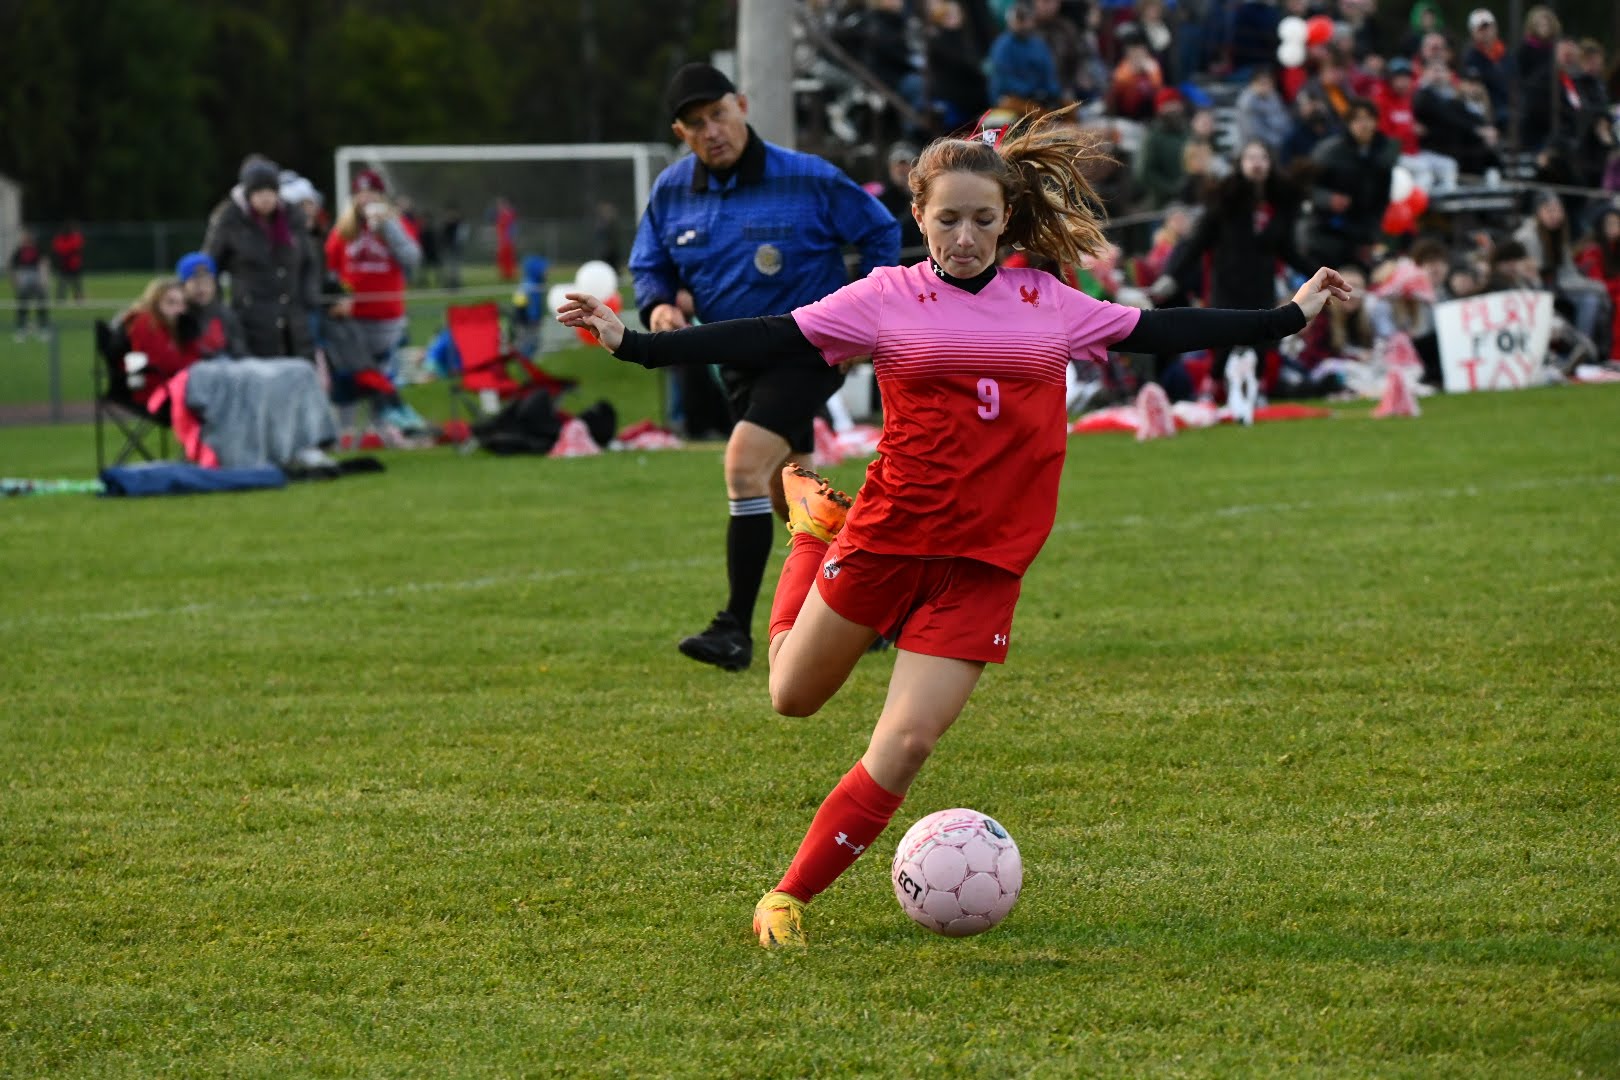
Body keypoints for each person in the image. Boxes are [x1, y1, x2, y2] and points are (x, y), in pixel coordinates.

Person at [561, 111, 1352, 948]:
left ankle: (786, 899)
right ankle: (810, 534)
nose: (965, 236)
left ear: (1006, 219)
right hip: (887, 537)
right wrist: (632, 345)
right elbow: (770, 335)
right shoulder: (884, 300)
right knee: (791, 698)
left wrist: (1287, 317)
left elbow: (1162, 330)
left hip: (982, 567)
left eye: (982, 219)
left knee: (904, 743)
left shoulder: (1049, 304)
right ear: (919, 217)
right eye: (948, 219)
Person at [627, 62, 900, 673]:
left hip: (806, 349)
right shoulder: (672, 190)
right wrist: (660, 303)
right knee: (790, 490)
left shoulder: (807, 178)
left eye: (719, 114)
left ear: (742, 104)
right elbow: (650, 264)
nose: (711, 131)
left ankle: (734, 630)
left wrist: (867, 314)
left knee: (742, 466)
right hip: (736, 358)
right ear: (680, 131)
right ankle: (880, 599)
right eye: (695, 124)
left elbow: (881, 233)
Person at [1153, 139, 1316, 399]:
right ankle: (1213, 386)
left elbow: (1288, 251)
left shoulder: (1280, 207)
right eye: (1250, 157)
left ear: (1270, 164)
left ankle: (1257, 389)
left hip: (1261, 284)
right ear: (1240, 164)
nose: (1257, 163)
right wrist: (1172, 277)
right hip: (1227, 283)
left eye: (1262, 157)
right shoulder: (1224, 201)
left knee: (1263, 337)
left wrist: (1319, 273)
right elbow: (1198, 243)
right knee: (1223, 337)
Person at [203, 154, 320, 358]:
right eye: (259, 192)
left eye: (270, 191)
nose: (265, 198)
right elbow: (208, 266)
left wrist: (308, 297)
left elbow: (309, 262)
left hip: (293, 318)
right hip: (250, 319)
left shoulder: (294, 218)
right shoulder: (229, 220)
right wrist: (218, 308)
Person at [324, 168, 422, 379]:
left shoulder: (397, 224)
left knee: (383, 381)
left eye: (372, 193)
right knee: (349, 381)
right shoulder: (343, 229)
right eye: (361, 193)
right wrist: (338, 298)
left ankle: (380, 413)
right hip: (351, 318)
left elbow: (412, 259)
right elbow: (330, 268)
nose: (366, 198)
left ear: (382, 197)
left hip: (387, 317)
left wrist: (388, 226)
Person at [1305, 98, 1399, 269]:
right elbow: (1307, 186)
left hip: (1363, 231)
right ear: (1348, 123)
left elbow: (1382, 198)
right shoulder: (1328, 151)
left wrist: (1373, 234)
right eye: (1357, 119)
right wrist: (1328, 199)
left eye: (1368, 118)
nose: (1363, 124)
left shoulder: (1385, 151)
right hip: (1328, 230)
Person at [175, 252, 247, 359]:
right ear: (183, 286)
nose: (202, 289)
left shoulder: (225, 314)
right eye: (196, 283)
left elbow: (240, 351)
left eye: (207, 283)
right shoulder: (178, 315)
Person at [8, 228, 50, 341]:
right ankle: (22, 329)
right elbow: (12, 266)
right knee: (22, 304)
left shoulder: (39, 249)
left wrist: (44, 279)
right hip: (23, 276)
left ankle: (43, 328)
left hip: (36, 276)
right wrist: (14, 281)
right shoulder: (19, 251)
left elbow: (44, 263)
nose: (26, 239)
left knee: (41, 303)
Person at [50, 221, 85, 304]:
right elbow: (58, 248)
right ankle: (60, 299)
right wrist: (68, 250)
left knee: (76, 283)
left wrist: (67, 250)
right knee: (62, 283)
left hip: (74, 264)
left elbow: (77, 246)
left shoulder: (75, 237)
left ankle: (79, 299)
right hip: (64, 264)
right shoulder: (61, 238)